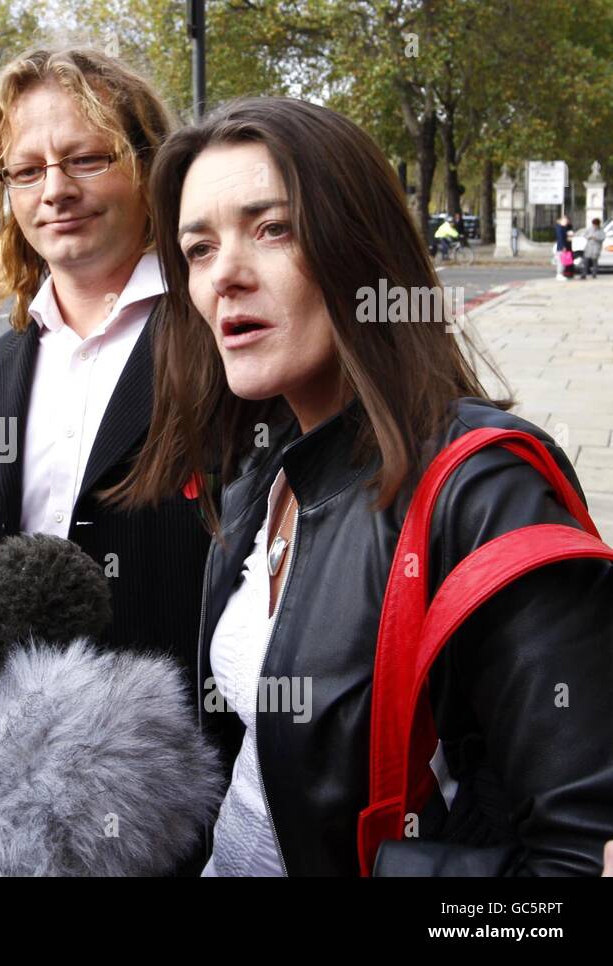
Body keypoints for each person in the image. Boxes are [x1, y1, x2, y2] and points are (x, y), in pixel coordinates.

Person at [116, 96, 613, 875]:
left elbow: (576, 864)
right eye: (199, 249)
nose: (226, 277)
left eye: (272, 228)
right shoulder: (264, 470)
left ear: (360, 245)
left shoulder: (484, 493)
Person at [0, 46, 210, 875]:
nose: (54, 192)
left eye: (84, 159)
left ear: (149, 165)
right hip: (18, 819)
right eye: (25, 171)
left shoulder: (220, 343)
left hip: (186, 808)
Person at [555, 214, 574, 279]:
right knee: (560, 261)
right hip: (561, 247)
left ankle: (561, 274)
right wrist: (563, 246)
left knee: (563, 261)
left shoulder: (563, 227)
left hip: (564, 246)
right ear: (562, 220)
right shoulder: (560, 227)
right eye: (565, 221)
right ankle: (559, 274)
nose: (566, 222)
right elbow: (560, 238)